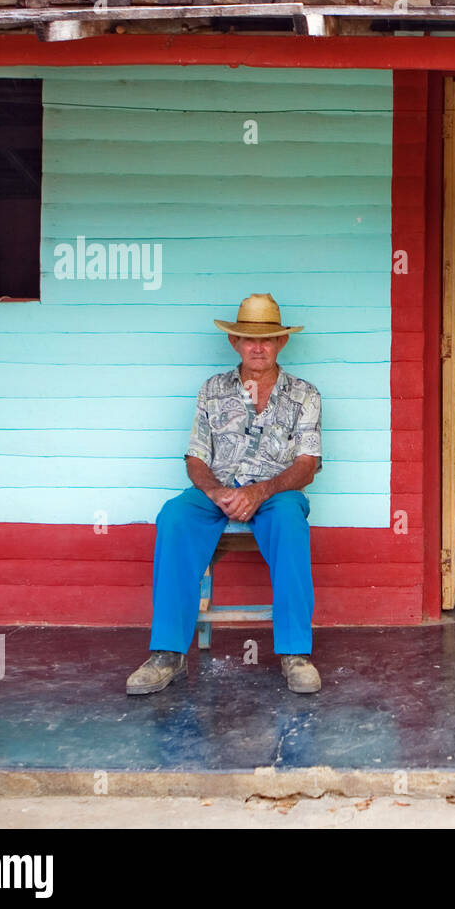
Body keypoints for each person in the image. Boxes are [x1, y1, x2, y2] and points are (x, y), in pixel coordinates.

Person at [126, 293, 324, 695]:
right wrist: (216, 492)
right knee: (175, 516)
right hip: (217, 490)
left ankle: (295, 653)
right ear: (233, 342)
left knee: (289, 522)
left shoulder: (305, 394)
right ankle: (168, 653)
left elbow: (307, 464)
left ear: (281, 342)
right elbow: (195, 457)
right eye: (247, 339)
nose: (257, 347)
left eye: (267, 339)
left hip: (275, 492)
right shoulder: (212, 390)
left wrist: (261, 491)